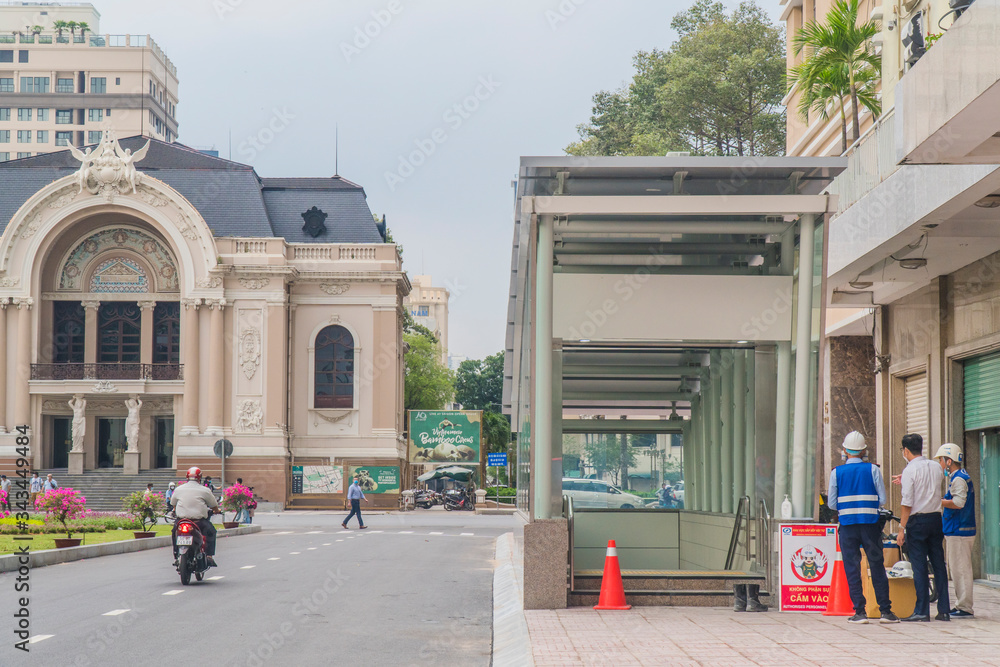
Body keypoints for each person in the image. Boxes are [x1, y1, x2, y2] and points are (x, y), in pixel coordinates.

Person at [826, 431, 898, 624]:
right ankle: (886, 611)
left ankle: (859, 612)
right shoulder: (873, 470)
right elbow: (882, 499)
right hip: (870, 526)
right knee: (876, 566)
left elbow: (832, 504)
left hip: (848, 527)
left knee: (852, 568)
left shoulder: (836, 472)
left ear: (844, 451)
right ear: (864, 450)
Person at [894, 433, 950, 621]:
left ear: (906, 450)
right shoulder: (935, 467)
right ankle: (944, 610)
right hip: (935, 519)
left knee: (919, 566)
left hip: (917, 522)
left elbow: (907, 503)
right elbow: (928, 484)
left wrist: (901, 528)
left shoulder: (910, 470)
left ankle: (922, 611)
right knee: (939, 565)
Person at [935, 443, 975, 618]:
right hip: (957, 530)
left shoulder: (958, 479)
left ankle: (965, 607)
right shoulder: (958, 477)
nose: (941, 465)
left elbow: (959, 503)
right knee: (958, 569)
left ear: (949, 461)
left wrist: (939, 502)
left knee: (961, 569)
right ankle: (961, 604)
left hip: (960, 531)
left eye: (942, 461)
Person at [170, 466, 220, 567]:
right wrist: (216, 511)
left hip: (181, 521)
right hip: (199, 522)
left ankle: (176, 555)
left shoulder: (179, 489)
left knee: (174, 532)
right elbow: (213, 505)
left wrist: (175, 509)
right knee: (211, 532)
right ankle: (209, 556)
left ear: (187, 477)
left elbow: (173, 503)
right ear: (199, 478)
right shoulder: (205, 490)